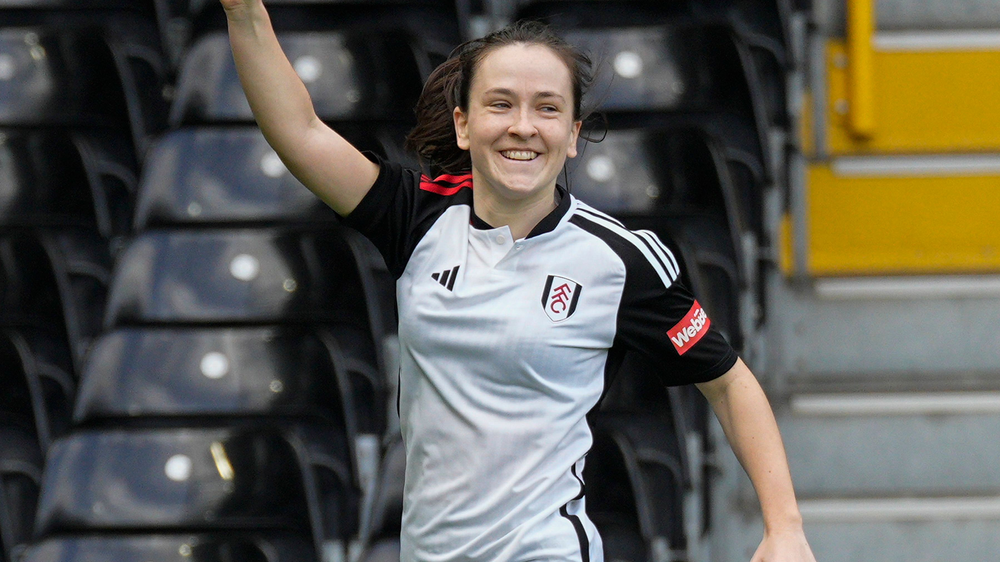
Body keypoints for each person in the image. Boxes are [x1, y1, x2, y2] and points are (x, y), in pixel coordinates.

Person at [221, 1, 818, 561]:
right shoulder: (415, 218)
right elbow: (299, 132)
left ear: (574, 134)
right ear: (463, 125)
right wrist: (242, 11)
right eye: (500, 104)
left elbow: (729, 384)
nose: (523, 127)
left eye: (548, 108)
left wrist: (784, 525)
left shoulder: (620, 260)